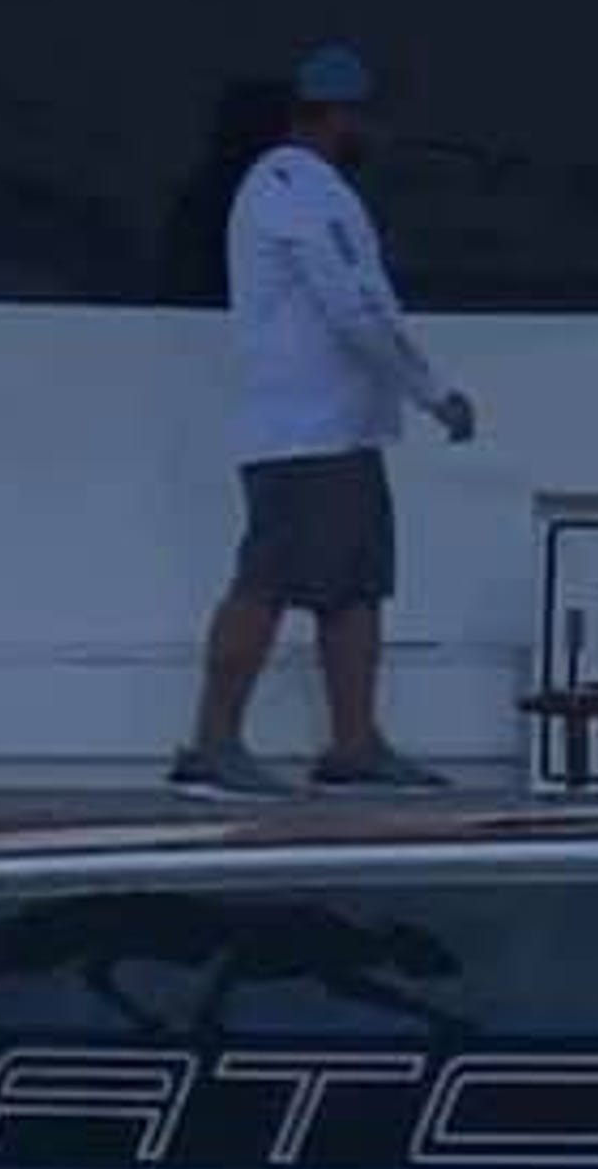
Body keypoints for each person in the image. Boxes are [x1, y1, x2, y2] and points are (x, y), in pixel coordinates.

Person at [170, 45, 479, 801]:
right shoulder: (296, 189)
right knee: (267, 582)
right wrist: (434, 393)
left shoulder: (310, 188)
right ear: (338, 115)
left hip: (343, 430)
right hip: (302, 434)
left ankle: (355, 746)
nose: (379, 132)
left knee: (355, 587)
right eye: (368, 117)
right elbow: (357, 308)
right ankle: (212, 747)